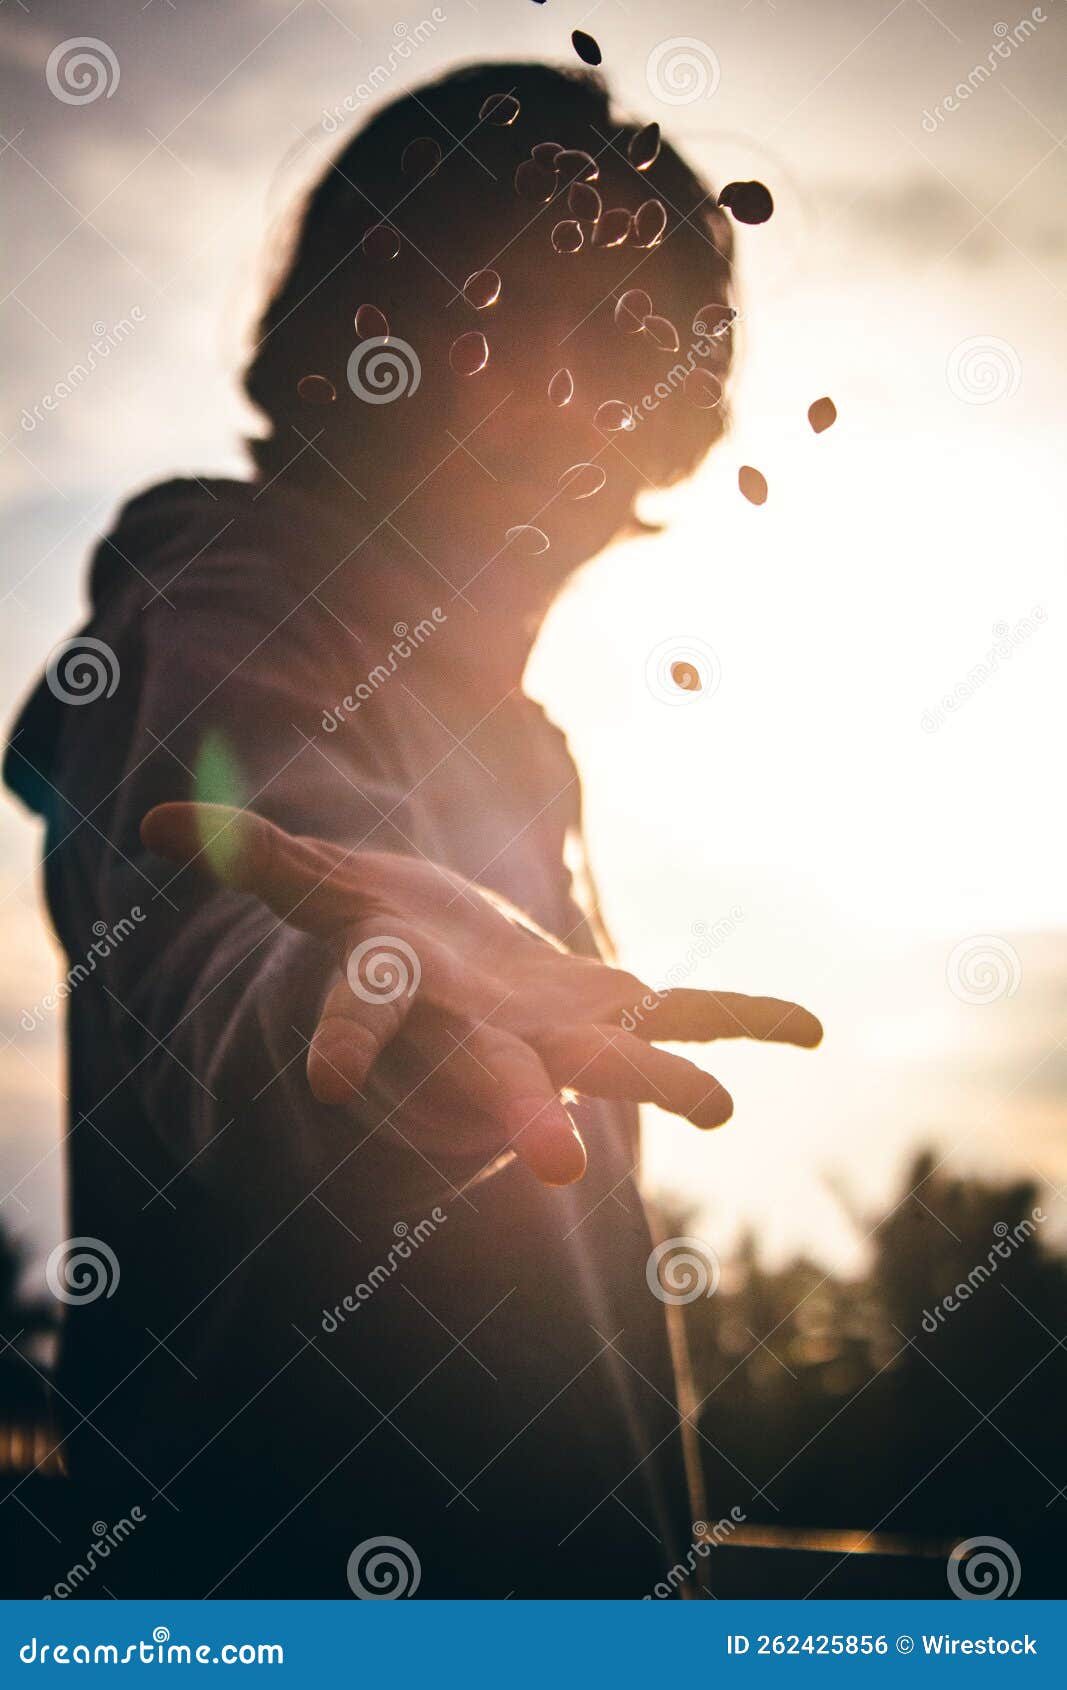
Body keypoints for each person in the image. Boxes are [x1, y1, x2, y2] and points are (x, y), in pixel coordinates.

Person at [4, 61, 820, 1598]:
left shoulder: (529, 756)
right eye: (492, 313)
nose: (562, 392)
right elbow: (232, 913)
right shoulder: (220, 598)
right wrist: (375, 988)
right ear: (348, 346)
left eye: (623, 340)